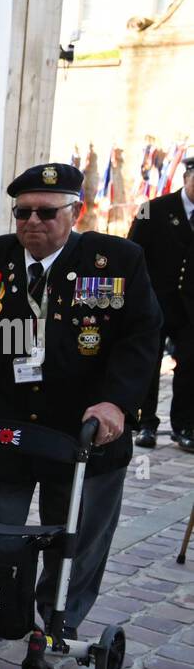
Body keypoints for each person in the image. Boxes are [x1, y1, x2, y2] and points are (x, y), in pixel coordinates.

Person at [0, 162, 160, 663]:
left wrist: (116, 401)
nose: (33, 222)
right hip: (8, 423)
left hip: (86, 429)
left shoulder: (115, 261)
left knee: (76, 535)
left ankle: (58, 622)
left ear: (76, 212)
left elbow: (141, 340)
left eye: (47, 213)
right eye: (23, 212)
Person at [127, 153, 194, 452]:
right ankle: (145, 424)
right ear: (186, 178)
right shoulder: (151, 209)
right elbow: (131, 254)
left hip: (190, 308)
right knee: (148, 363)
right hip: (154, 303)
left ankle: (184, 426)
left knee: (190, 367)